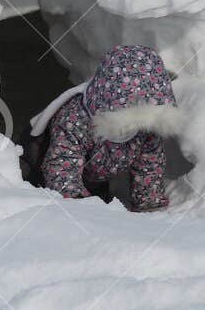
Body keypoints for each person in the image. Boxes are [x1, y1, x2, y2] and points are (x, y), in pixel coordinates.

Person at [24, 45, 181, 212]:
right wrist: (83, 208)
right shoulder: (75, 120)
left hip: (94, 178)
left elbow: (149, 168)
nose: (138, 125)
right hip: (41, 168)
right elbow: (61, 168)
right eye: (132, 109)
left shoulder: (147, 127)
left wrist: (150, 206)